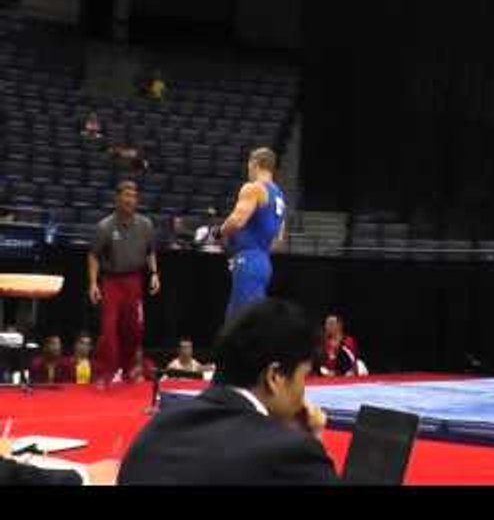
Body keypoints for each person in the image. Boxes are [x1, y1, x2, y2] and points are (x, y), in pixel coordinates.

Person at [118, 299, 338, 485]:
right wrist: (313, 440)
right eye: (304, 377)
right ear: (275, 376)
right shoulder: (291, 453)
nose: (303, 392)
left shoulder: (158, 426)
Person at [88, 181, 161, 388]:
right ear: (117, 199)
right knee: (109, 330)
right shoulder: (105, 226)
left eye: (134, 196)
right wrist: (93, 283)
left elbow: (150, 252)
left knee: (135, 329)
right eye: (126, 195)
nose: (131, 199)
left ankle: (129, 368)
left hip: (134, 281)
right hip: (111, 282)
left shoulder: (145, 224)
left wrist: (155, 273)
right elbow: (93, 256)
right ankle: (104, 373)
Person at [214, 147, 286, 319]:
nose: (248, 168)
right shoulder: (280, 197)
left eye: (249, 164)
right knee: (235, 321)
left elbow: (237, 220)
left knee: (245, 322)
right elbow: (279, 239)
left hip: (248, 261)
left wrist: (218, 233)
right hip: (263, 262)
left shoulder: (254, 188)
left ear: (255, 163)